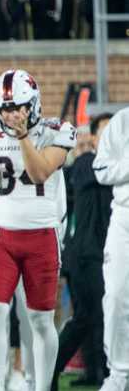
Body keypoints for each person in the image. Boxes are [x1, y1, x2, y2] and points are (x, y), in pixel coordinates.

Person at [0, 68, 75, 391]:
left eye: (17, 106)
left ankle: (41, 385)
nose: (11, 114)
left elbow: (39, 173)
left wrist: (22, 138)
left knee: (40, 320)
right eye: (4, 108)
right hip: (1, 234)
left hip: (42, 235)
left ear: (33, 103)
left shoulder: (58, 130)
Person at [52, 112, 112, 390]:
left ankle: (93, 370)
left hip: (98, 253)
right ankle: (100, 373)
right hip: (86, 255)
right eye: (105, 130)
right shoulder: (88, 163)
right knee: (91, 316)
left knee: (90, 316)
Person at [92, 107, 129, 391]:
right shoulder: (122, 122)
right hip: (124, 218)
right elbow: (101, 170)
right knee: (116, 295)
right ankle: (118, 373)